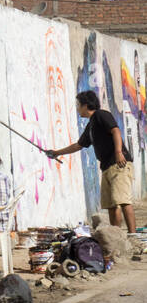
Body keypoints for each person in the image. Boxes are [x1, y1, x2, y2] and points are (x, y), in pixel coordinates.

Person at [45, 90, 137, 233]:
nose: (77, 108)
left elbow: (116, 131)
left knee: (123, 200)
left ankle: (133, 236)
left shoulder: (101, 115)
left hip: (119, 163)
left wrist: (119, 152)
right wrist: (56, 153)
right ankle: (116, 236)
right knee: (112, 204)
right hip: (106, 167)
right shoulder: (90, 126)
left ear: (86, 105)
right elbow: (78, 145)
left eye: (78, 105)